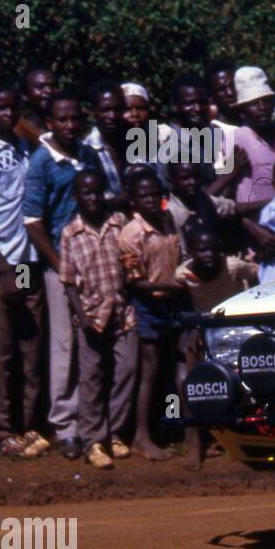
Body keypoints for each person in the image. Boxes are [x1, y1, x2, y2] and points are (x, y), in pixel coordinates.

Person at [23, 91, 104, 461]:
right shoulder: (42, 162)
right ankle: (64, 425)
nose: (70, 126)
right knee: (64, 345)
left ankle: (95, 425)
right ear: (50, 122)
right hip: (59, 264)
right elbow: (33, 223)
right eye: (63, 120)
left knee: (94, 340)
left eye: (76, 119)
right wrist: (61, 267)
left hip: (94, 259)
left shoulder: (87, 155)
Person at [0, 77, 47, 457]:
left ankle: (28, 424)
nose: (8, 114)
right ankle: (0, 431)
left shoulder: (27, 149)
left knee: (30, 349)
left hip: (28, 263)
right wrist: (2, 268)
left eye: (13, 107)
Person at [58, 170, 137, 470]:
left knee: (125, 371)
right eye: (85, 193)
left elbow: (130, 259)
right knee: (91, 378)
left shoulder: (118, 223)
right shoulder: (70, 233)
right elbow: (67, 281)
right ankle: (92, 440)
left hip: (122, 311)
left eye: (97, 192)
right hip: (91, 315)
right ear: (77, 197)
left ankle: (114, 432)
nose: (92, 198)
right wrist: (81, 316)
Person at [175, 222, 257, 469]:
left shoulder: (233, 266)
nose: (208, 255)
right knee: (187, 383)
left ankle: (238, 437)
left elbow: (254, 275)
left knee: (242, 382)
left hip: (234, 326)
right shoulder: (183, 274)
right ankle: (194, 441)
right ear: (191, 252)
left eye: (213, 249)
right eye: (202, 250)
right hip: (203, 328)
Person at [118, 171, 186, 461]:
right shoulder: (131, 234)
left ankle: (172, 426)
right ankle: (141, 436)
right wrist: (167, 285)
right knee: (150, 370)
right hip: (149, 304)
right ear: (133, 200)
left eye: (154, 194)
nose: (150, 200)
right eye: (143, 195)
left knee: (173, 369)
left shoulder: (169, 220)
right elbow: (135, 281)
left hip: (174, 302)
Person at [221, 66, 275, 208]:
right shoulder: (235, 139)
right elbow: (226, 190)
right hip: (254, 222)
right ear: (242, 111)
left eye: (266, 101)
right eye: (253, 103)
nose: (262, 107)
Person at [83, 80, 131, 200]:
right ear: (93, 112)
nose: (112, 116)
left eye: (117, 110)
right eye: (105, 110)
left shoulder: (133, 139)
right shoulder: (87, 149)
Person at [15, 66, 55, 150]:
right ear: (24, 95)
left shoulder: (63, 126)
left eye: (52, 86)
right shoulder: (20, 131)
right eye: (40, 87)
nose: (49, 91)